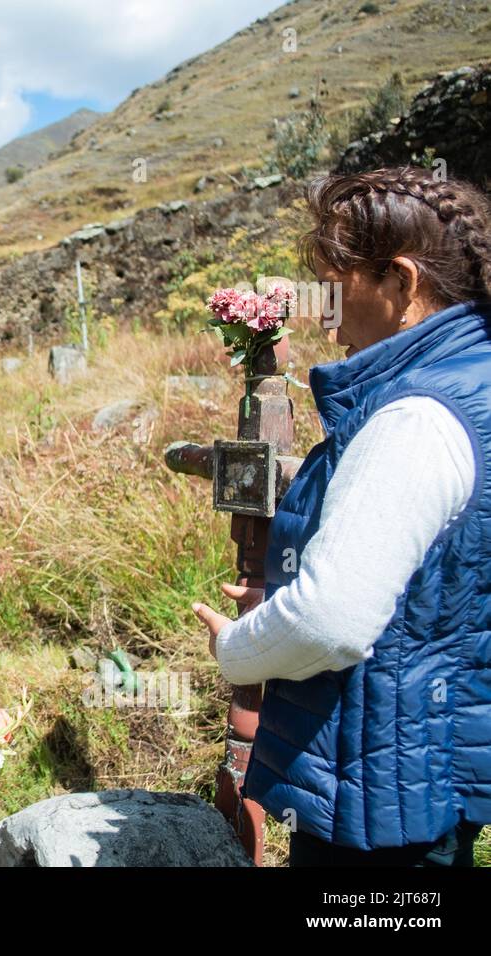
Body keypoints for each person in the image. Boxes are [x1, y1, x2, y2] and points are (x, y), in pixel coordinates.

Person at [193, 167, 491, 866]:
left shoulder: (413, 418)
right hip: (436, 768)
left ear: (401, 283)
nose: (324, 317)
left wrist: (237, 647)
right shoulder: (473, 381)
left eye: (336, 287)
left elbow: (330, 622)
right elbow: (443, 585)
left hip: (380, 797)